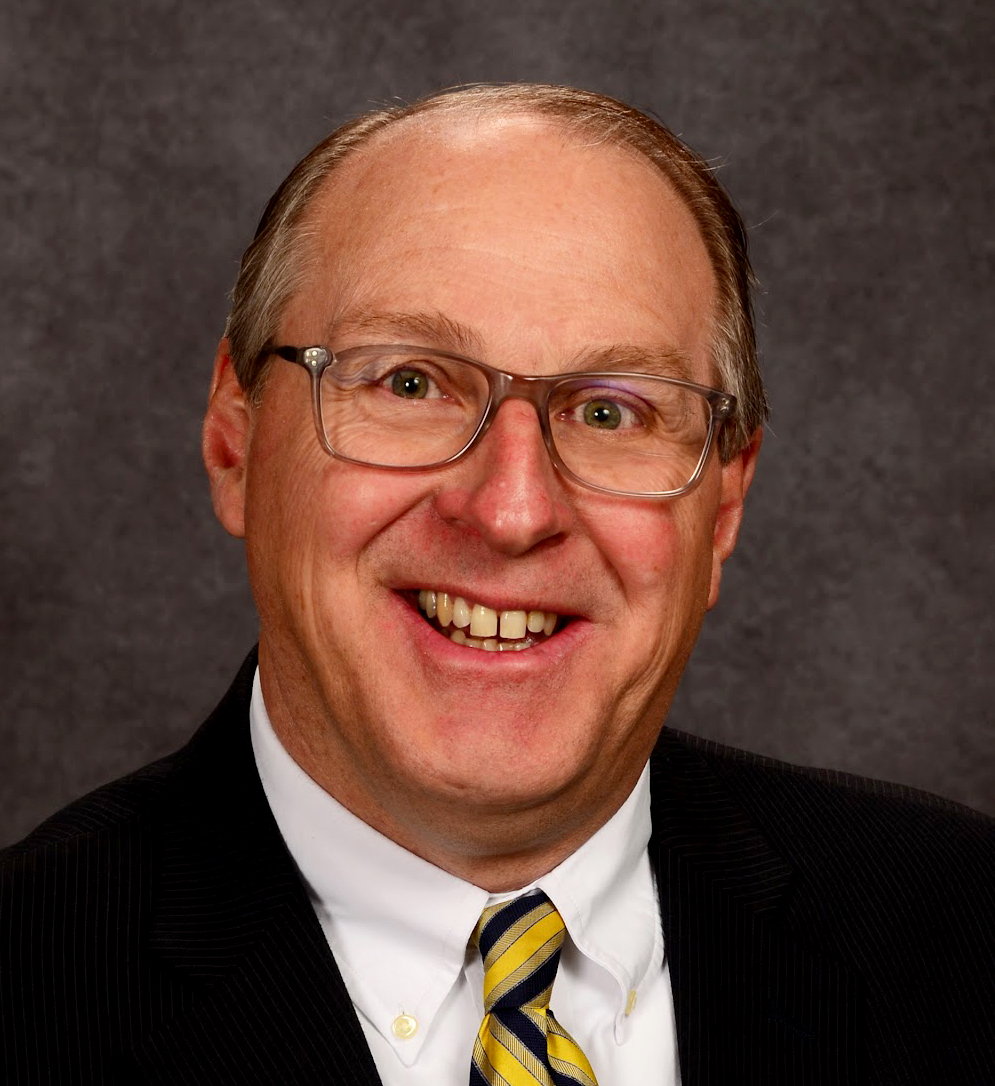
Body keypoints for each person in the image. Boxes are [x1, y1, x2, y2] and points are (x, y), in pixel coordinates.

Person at [1, 84, 992, 1086]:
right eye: (410, 383)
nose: (512, 510)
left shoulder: (962, 936)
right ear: (235, 439)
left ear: (724, 502)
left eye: (609, 412)